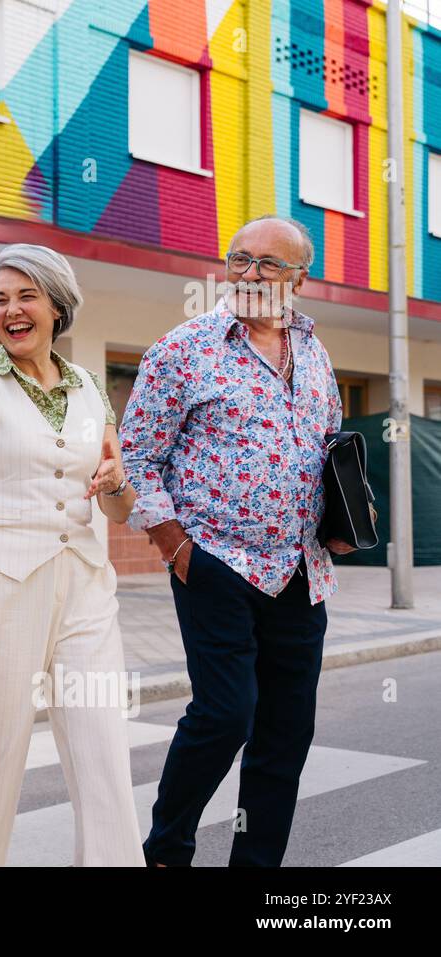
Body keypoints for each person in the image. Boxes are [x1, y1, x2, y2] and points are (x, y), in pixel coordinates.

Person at [122, 215, 361, 867]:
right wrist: (175, 547)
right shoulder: (186, 346)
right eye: (239, 260)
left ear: (300, 279)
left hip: (301, 570)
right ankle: (168, 847)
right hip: (215, 563)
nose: (250, 275)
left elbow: (328, 440)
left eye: (268, 264)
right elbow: (138, 454)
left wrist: (337, 520)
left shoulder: (314, 351)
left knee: (284, 735)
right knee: (227, 713)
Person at [0, 244, 144, 866]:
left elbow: (119, 507)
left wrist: (117, 483)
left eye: (25, 296)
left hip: (87, 587)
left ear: (57, 305)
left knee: (103, 748)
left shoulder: (90, 386)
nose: (10, 311)